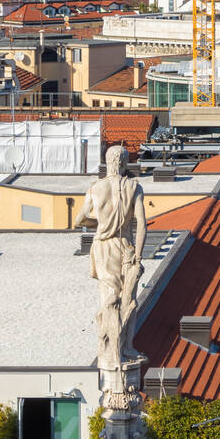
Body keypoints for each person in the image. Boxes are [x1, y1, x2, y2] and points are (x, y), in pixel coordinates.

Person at [74, 146, 146, 369]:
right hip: (125, 246)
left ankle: (110, 346)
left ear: (107, 162)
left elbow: (80, 219)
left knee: (109, 296)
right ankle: (124, 347)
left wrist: (101, 225)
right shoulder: (133, 186)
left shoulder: (96, 187)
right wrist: (139, 255)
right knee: (127, 298)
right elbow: (142, 224)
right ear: (124, 163)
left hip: (103, 246)